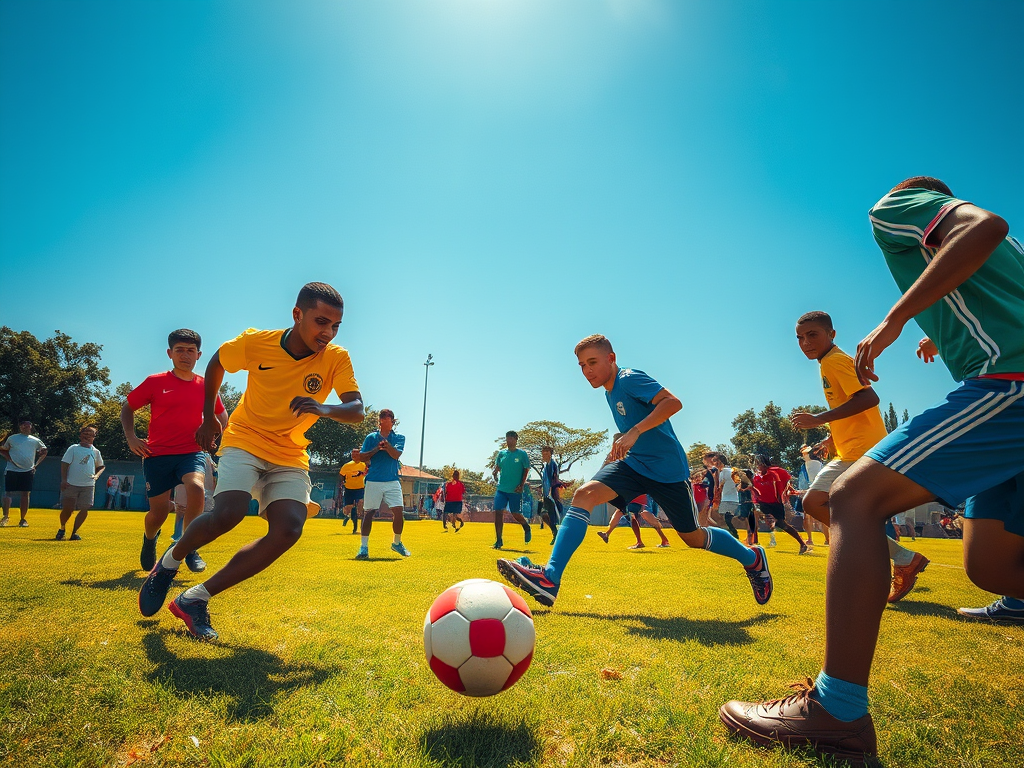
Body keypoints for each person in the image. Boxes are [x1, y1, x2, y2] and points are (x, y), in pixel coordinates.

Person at [720, 177, 1024, 761]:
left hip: (1010, 386)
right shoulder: (988, 275)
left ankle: (836, 711)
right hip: (999, 388)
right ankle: (901, 566)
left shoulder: (897, 206)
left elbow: (983, 227)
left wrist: (897, 318)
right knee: (992, 564)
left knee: (850, 501)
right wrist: (941, 329)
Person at [138, 282, 364, 641]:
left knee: (289, 528)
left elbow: (356, 409)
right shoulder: (258, 342)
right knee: (228, 513)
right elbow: (216, 363)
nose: (328, 332)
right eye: (321, 321)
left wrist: (324, 407)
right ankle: (169, 561)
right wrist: (209, 416)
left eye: (335, 326)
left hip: (289, 452)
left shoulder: (336, 358)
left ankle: (194, 599)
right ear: (297, 314)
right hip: (245, 438)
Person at [497, 335, 773, 607]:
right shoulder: (609, 391)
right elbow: (634, 423)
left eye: (592, 362)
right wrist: (621, 442)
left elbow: (673, 403)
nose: (586, 370)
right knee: (585, 495)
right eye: (581, 365)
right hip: (635, 464)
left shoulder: (628, 378)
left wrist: (634, 431)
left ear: (611, 358)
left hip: (668, 472)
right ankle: (550, 578)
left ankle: (753, 559)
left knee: (693, 537)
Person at [791, 311, 928, 596]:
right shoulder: (828, 362)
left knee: (814, 502)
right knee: (850, 514)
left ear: (832, 334)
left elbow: (869, 398)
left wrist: (818, 418)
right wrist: (831, 436)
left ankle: (900, 559)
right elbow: (853, 403)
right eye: (800, 338)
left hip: (860, 451)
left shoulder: (835, 361)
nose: (805, 342)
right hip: (852, 449)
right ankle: (899, 559)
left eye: (812, 335)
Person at [123, 329, 229, 573]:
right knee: (158, 514)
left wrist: (217, 435)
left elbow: (222, 417)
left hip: (191, 452)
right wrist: (131, 437)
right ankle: (150, 539)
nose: (185, 355)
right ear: (170, 353)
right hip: (156, 454)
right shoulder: (155, 382)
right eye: (179, 350)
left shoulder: (206, 385)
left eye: (190, 350)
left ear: (199, 355)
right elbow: (127, 408)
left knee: (197, 488)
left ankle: (189, 546)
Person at [354, 409, 409, 559]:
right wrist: (377, 448)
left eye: (388, 417)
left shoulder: (399, 438)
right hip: (373, 480)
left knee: (398, 512)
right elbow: (363, 457)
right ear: (379, 421)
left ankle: (397, 543)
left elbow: (396, 454)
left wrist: (387, 446)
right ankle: (363, 548)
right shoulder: (371, 438)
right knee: (369, 513)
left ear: (393, 421)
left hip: (392, 480)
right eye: (382, 417)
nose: (385, 420)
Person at [56, 425, 104, 540]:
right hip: (71, 484)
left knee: (85, 508)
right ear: (80, 435)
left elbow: (101, 466)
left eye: (90, 434)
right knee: (68, 508)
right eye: (85, 433)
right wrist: (64, 480)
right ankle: (62, 529)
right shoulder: (73, 448)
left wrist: (96, 476)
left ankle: (74, 533)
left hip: (88, 485)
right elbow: (64, 463)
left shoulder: (96, 452)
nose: (87, 436)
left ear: (94, 437)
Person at [751, 455, 807, 552]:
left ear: (765, 464)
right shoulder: (756, 476)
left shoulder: (774, 474)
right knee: (753, 517)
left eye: (759, 464)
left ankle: (802, 543)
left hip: (775, 504)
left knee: (782, 524)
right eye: (757, 464)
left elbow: (782, 486)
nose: (758, 466)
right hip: (763, 504)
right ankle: (754, 542)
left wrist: (784, 497)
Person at [1, 419, 48, 527]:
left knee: (25, 494)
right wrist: (8, 458)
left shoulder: (35, 440)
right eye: (23, 425)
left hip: (28, 471)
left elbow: (44, 452)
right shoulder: (12, 438)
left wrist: (36, 465)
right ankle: (5, 517)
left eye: (27, 425)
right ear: (20, 427)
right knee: (8, 493)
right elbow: (4, 449)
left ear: (31, 427)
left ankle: (23, 519)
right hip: (12, 469)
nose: (25, 427)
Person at [490, 431, 532, 549]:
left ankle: (526, 526)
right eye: (507, 439)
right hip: (502, 489)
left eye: (511, 439)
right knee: (498, 512)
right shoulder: (502, 453)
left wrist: (521, 484)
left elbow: (526, 469)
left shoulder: (522, 454)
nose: (508, 441)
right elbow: (498, 466)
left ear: (515, 439)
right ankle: (499, 541)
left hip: (515, 490)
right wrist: (495, 472)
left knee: (515, 513)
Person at [598, 494, 671, 549]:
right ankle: (642, 542)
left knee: (620, 512)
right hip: (637, 502)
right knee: (633, 518)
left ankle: (607, 534)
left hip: (638, 502)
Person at [794, 445, 825, 548]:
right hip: (818, 490)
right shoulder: (818, 464)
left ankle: (811, 539)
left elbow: (811, 481)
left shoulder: (811, 463)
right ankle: (827, 539)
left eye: (805, 453)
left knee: (809, 517)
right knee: (820, 517)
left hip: (811, 491)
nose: (803, 455)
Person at [706, 452, 741, 538]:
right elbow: (738, 484)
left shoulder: (725, 472)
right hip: (732, 499)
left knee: (723, 520)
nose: (713, 463)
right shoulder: (728, 471)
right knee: (726, 520)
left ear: (719, 461)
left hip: (727, 500)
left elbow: (719, 487)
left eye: (714, 461)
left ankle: (732, 536)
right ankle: (733, 535)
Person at [338, 452, 366, 533]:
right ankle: (348, 516)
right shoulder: (347, 466)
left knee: (360, 505)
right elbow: (341, 474)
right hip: (349, 488)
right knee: (349, 508)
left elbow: (367, 473)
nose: (355, 456)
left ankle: (358, 528)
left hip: (360, 488)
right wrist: (343, 482)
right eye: (353, 455)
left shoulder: (364, 465)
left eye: (357, 454)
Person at [539, 446, 562, 543]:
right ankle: (555, 532)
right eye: (543, 453)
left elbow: (554, 478)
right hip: (546, 495)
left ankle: (556, 534)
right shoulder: (545, 465)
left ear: (550, 454)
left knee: (550, 515)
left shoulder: (553, 464)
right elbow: (545, 481)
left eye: (547, 453)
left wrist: (551, 491)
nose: (544, 455)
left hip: (551, 494)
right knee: (543, 514)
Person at [735, 469, 758, 546]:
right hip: (743, 505)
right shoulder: (741, 484)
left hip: (749, 505)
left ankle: (750, 541)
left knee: (749, 524)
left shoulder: (750, 485)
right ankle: (749, 540)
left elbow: (755, 492)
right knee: (747, 523)